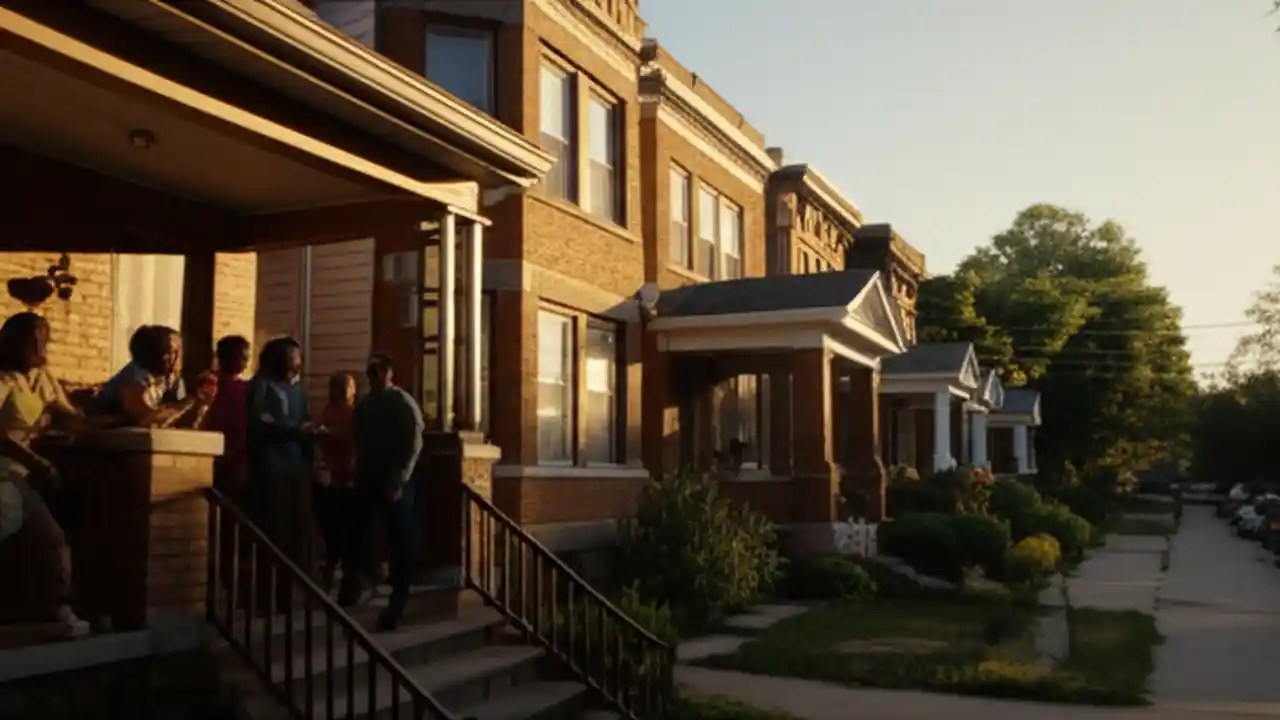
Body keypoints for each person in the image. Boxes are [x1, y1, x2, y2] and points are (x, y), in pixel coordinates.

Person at [0, 312, 90, 637]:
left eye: (44, 338)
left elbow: (70, 415)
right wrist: (36, 461)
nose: (40, 346)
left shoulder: (40, 377)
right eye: (33, 340)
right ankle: (59, 609)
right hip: (6, 471)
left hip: (25, 473)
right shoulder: (3, 378)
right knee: (50, 538)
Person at [343, 354, 424, 630]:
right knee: (360, 535)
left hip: (394, 481)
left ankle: (396, 606)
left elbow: (413, 441)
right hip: (368, 478)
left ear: (389, 372)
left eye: (379, 370)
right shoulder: (365, 404)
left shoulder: (402, 402)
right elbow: (358, 437)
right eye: (371, 371)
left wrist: (400, 478)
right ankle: (360, 584)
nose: (374, 375)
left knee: (400, 542)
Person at [246, 337, 319, 577]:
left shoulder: (298, 390)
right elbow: (257, 423)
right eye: (293, 357)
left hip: (297, 466)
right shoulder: (261, 386)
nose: (298, 363)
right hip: (271, 465)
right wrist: (291, 430)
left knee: (299, 530)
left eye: (298, 358)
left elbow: (304, 419)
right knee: (274, 529)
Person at [100, 325, 215, 428]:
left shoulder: (171, 380)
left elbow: (180, 423)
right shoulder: (133, 379)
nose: (180, 358)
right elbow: (147, 419)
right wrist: (186, 403)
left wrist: (200, 405)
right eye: (175, 351)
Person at [314, 372, 357, 592]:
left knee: (345, 535)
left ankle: (345, 582)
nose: (350, 391)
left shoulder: (353, 413)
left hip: (347, 480)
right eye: (346, 386)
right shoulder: (331, 412)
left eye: (349, 386)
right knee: (333, 533)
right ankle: (330, 576)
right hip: (332, 480)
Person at [209, 335, 251, 503]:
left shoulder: (249, 388)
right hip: (218, 454)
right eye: (239, 356)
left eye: (245, 357)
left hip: (241, 457)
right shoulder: (210, 385)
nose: (244, 361)